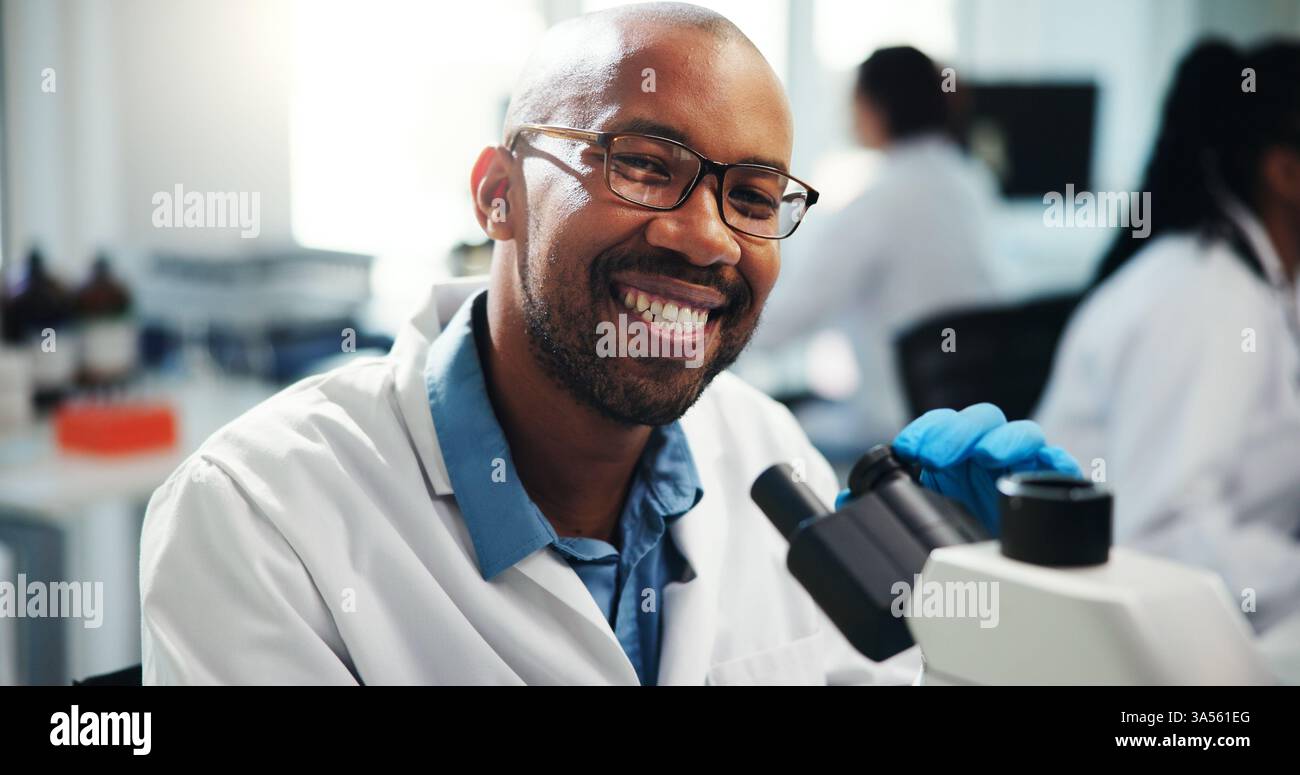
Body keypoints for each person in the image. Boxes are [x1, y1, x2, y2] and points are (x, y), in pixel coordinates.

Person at [139, 3, 1078, 685]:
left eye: (752, 197)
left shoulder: (769, 452)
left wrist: (989, 638)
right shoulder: (258, 521)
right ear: (497, 194)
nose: (708, 236)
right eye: (639, 164)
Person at [1036, 41, 1300, 633]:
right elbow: (1161, 537)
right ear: (1285, 173)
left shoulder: (1267, 287)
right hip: (1112, 646)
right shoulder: (1205, 299)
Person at [753, 46, 999, 456]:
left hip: (895, 425)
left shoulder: (882, 201)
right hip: (964, 420)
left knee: (763, 433)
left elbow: (785, 321)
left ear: (875, 107)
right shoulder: (970, 182)